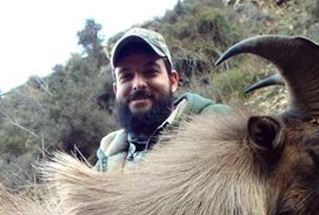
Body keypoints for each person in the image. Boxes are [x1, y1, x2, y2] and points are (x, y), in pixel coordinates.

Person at [95, 27, 230, 171]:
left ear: (173, 81)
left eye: (150, 72)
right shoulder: (105, 160)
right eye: (126, 76)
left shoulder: (217, 121)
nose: (138, 84)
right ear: (116, 90)